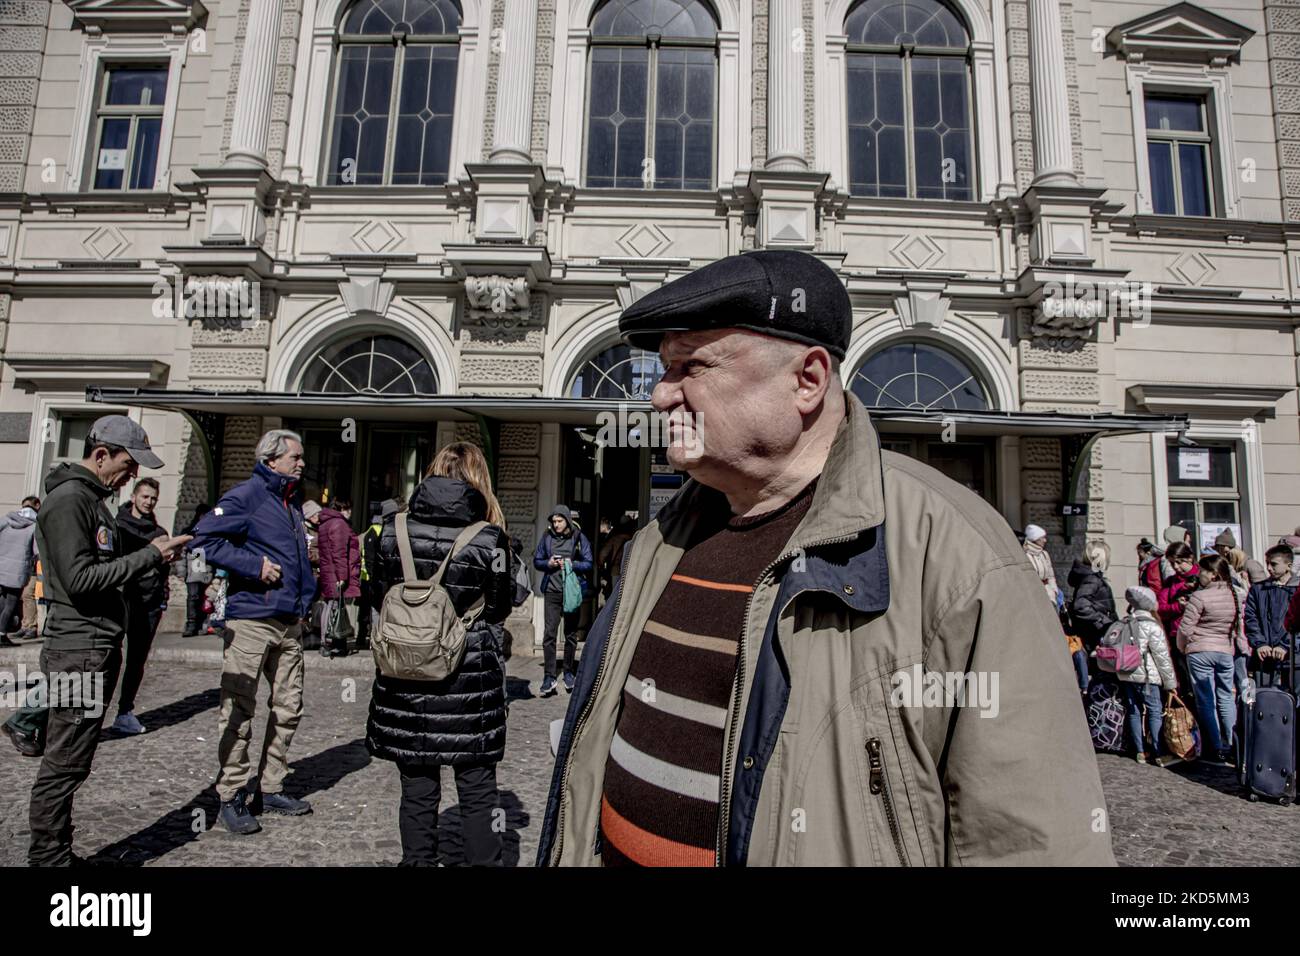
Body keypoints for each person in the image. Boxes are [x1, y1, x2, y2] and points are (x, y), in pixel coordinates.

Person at [537, 250, 1113, 866]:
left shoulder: (957, 553)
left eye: (691, 367)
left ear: (807, 380)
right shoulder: (662, 538)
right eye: (662, 370)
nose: (659, 398)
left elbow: (1033, 843)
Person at [18, 416, 188, 864]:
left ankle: (54, 854)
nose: (134, 475)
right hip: (79, 650)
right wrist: (150, 556)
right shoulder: (71, 501)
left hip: (91, 647)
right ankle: (49, 859)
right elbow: (80, 578)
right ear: (100, 455)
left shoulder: (91, 500)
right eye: (129, 465)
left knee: (70, 759)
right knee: (65, 763)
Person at [365, 442, 513, 866]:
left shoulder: (390, 529)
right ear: (478, 480)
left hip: (404, 675)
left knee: (416, 785)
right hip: (470, 675)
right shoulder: (490, 538)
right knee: (478, 786)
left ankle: (418, 863)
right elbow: (500, 607)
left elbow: (377, 596)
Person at [191, 429, 318, 835]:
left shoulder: (290, 501)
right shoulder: (246, 496)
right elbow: (203, 540)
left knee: (289, 707)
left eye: (301, 457)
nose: (301, 463)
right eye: (294, 457)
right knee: (239, 709)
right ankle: (231, 794)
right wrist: (254, 565)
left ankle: (271, 786)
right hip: (251, 620)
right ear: (271, 460)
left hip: (289, 623)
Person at [1177, 554, 1249, 766]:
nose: (1199, 575)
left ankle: (1216, 747)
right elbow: (1238, 627)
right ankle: (1232, 743)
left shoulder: (1200, 597)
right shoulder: (1235, 595)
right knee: (1226, 697)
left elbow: (1185, 628)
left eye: (1203, 571)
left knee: (1206, 700)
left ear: (1214, 573)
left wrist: (1183, 647)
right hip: (1225, 651)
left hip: (1200, 650)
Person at [112, 478, 169, 735]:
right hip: (120, 600)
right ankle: (93, 711)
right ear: (134, 496)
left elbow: (164, 570)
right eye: (145, 496)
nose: (149, 502)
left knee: (137, 660)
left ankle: (125, 711)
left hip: (149, 604)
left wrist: (163, 597)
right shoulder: (118, 527)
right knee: (109, 657)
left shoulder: (159, 533)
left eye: (153, 498)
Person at [1108, 586, 1177, 765]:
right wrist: (1170, 683)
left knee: (1134, 711)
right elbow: (1162, 658)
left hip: (1126, 674)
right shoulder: (1151, 626)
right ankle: (1158, 752)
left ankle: (1140, 751)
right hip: (1147, 676)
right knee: (1154, 711)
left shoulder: (1124, 623)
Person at [532, 504, 593, 697]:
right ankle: (549, 677)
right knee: (549, 634)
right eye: (554, 521)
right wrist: (548, 563)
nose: (556, 524)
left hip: (572, 592)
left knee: (570, 634)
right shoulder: (547, 537)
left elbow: (589, 563)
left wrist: (571, 564)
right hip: (552, 591)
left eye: (559, 521)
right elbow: (537, 560)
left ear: (567, 520)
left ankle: (568, 673)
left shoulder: (578, 537)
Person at [1245, 544, 1297, 688]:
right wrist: (1260, 643)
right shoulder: (1258, 589)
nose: (1268, 568)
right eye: (1267, 563)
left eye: (1273, 564)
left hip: (1294, 657)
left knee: (1294, 699)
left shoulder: (1297, 589)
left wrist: (1285, 645)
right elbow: (1250, 618)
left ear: (1289, 566)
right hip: (1264, 657)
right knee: (1264, 700)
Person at [316, 498, 360, 656]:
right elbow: (340, 552)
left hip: (329, 571)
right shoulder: (339, 524)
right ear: (342, 509)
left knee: (330, 605)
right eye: (348, 509)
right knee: (335, 606)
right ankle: (331, 641)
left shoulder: (326, 523)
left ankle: (327, 641)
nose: (350, 512)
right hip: (337, 572)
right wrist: (343, 576)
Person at [1156, 541, 1198, 691]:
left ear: (1190, 558)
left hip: (1199, 634)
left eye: (1179, 562)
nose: (1176, 567)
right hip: (1177, 634)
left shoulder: (1202, 577)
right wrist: (1178, 607)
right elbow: (1161, 608)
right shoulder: (1170, 582)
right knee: (1185, 677)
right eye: (1172, 563)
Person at [0, 498, 40, 645]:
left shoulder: (6, 520)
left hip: (1, 567)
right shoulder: (34, 526)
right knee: (10, 603)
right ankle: (2, 635)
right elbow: (37, 551)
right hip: (18, 572)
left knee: (2, 600)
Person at [1066, 539, 1116, 653]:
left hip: (1094, 634)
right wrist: (1103, 621)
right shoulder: (1092, 579)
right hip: (1094, 637)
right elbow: (1081, 607)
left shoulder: (1092, 577)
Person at [181, 503, 212, 637]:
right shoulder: (190, 533)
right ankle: (191, 624)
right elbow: (181, 554)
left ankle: (203, 624)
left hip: (206, 570)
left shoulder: (212, 532)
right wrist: (182, 571)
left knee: (205, 598)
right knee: (193, 597)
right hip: (194, 569)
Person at [1022, 524, 1061, 612]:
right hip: (1033, 597)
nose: (1045, 540)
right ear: (1035, 539)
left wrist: (1054, 590)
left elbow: (1050, 576)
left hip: (1049, 596)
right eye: (1042, 538)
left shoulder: (1044, 554)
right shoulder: (1025, 555)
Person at [597, 515, 634, 603]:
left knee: (615, 597)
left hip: (616, 570)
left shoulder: (614, 539)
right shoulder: (634, 538)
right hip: (631, 570)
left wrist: (601, 567)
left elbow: (602, 554)